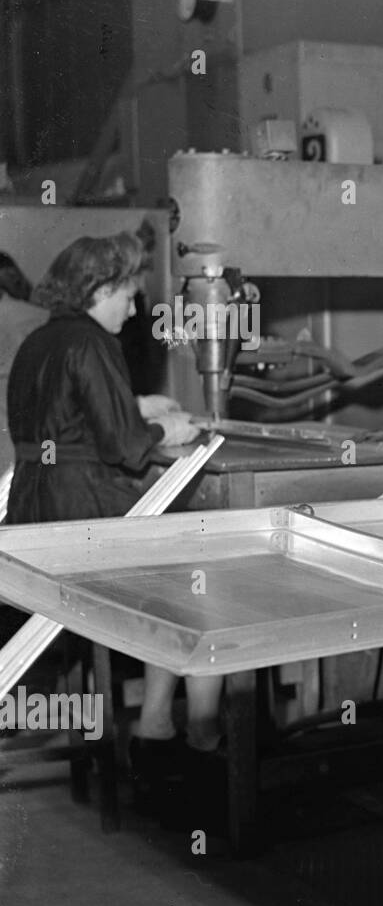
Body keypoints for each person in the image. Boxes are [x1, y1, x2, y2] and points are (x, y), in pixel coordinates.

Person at [5, 230, 223, 816]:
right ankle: (184, 742)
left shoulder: (41, 340)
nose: (133, 308)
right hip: (83, 511)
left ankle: (162, 732)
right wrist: (163, 430)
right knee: (202, 590)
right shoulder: (92, 342)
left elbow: (67, 420)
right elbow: (124, 446)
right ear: (100, 288)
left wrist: (138, 407)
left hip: (32, 509)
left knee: (174, 583)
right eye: (128, 294)